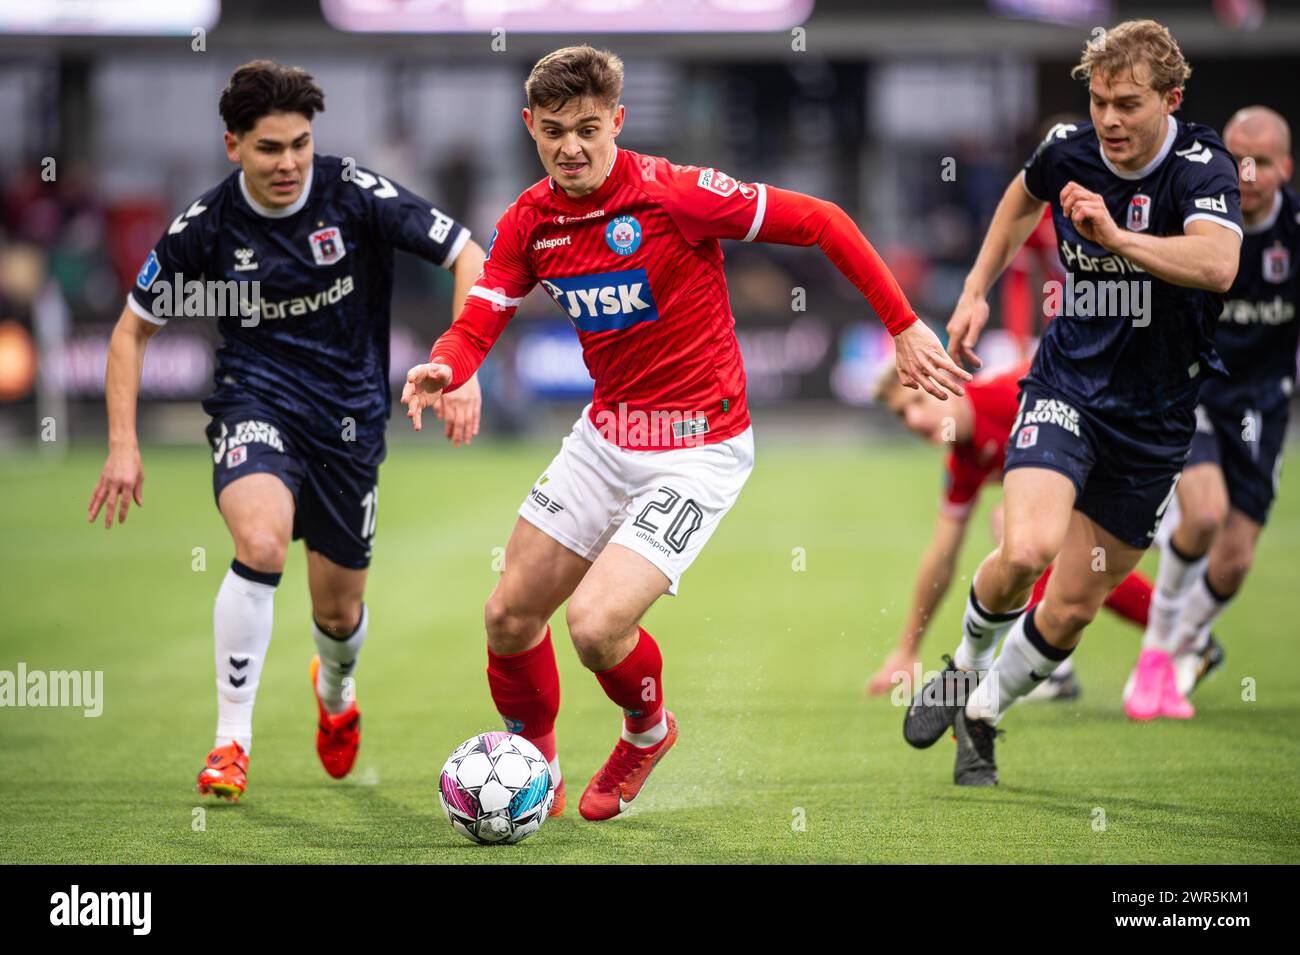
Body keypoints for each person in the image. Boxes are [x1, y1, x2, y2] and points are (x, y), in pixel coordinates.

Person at [401, 45, 969, 820]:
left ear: (618, 123)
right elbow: (481, 319)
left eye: (590, 129)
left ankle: (647, 731)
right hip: (606, 438)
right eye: (556, 130)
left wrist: (903, 324)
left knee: (596, 626)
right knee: (507, 615)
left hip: (699, 449)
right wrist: (446, 363)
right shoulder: (527, 221)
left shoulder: (677, 195)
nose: (572, 146)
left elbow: (825, 222)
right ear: (530, 127)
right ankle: (535, 765)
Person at [87, 60, 485, 801]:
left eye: (300, 143)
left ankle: (335, 692)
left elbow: (467, 250)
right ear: (232, 144)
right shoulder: (205, 228)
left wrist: (458, 366)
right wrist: (122, 442)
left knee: (337, 612)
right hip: (254, 405)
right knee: (262, 544)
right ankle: (230, 741)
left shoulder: (352, 193)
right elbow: (129, 333)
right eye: (270, 147)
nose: (289, 162)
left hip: (350, 422)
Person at [902, 20, 1242, 785]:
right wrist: (973, 291)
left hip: (1154, 422)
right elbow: (1024, 200)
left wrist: (1117, 237)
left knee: (1072, 608)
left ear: (1170, 99)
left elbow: (1219, 264)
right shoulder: (1068, 148)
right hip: (1067, 390)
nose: (1111, 121)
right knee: (1025, 550)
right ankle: (962, 665)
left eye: (1128, 104)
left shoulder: (1200, 166)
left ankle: (983, 713)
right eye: (1099, 102)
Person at [1124, 106, 1297, 716]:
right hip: (1194, 388)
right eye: (1237, 156)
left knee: (1235, 557)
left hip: (1262, 405)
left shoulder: (1294, 232)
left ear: (1286, 167)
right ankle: (1154, 652)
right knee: (1203, 515)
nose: (1246, 173)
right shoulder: (1193, 209)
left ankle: (1185, 646)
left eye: (1263, 162)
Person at [868, 359, 1154, 707]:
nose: (912, 421)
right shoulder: (964, 460)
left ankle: (1055, 665)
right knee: (1061, 554)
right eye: (901, 414)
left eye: (918, 401)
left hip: (1142, 457)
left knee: (1018, 524)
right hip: (1112, 485)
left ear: (946, 381)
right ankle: (1174, 633)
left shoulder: (1008, 395)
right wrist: (907, 650)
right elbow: (941, 557)